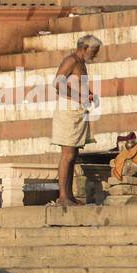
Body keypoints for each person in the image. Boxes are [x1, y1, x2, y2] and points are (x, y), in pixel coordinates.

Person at [51, 34, 102, 205]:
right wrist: (79, 97)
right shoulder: (71, 60)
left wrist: (89, 96)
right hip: (67, 112)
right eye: (94, 51)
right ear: (84, 47)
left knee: (74, 155)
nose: (95, 55)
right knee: (67, 154)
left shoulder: (82, 64)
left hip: (78, 112)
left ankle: (69, 196)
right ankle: (63, 197)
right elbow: (57, 84)